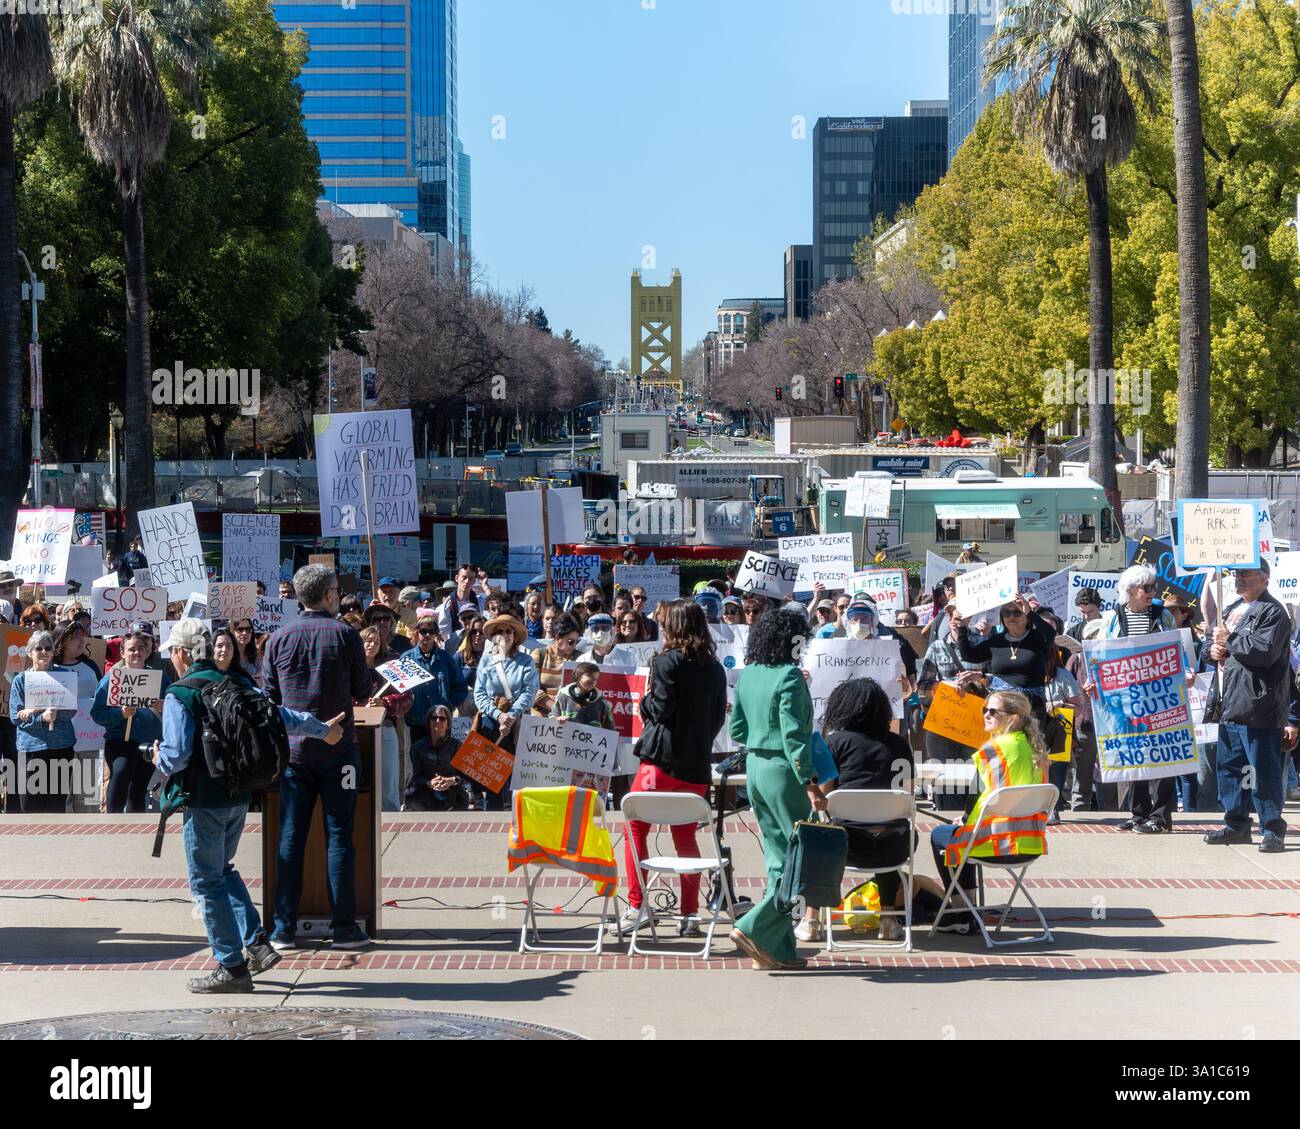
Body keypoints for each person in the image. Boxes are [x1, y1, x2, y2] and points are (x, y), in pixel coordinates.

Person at [158, 620, 344, 992]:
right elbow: (282, 717)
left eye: (172, 653)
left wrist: (157, 759)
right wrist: (323, 730)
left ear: (181, 653)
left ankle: (231, 966)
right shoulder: (240, 683)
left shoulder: (181, 693)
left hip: (204, 799)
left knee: (206, 882)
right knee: (223, 871)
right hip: (240, 794)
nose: (172, 661)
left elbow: (176, 756)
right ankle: (257, 943)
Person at [261, 564, 374, 952]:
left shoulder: (278, 638)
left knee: (290, 840)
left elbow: (270, 698)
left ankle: (282, 930)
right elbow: (362, 689)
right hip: (338, 750)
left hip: (293, 754)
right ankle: (343, 928)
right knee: (340, 838)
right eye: (337, 593)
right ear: (328, 595)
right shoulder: (345, 634)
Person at [622, 602, 727, 937]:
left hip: (660, 764)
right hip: (696, 768)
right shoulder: (714, 667)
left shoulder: (666, 661)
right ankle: (689, 915)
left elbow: (661, 708)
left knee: (635, 828)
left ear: (675, 627)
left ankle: (637, 905)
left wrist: (644, 701)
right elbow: (717, 718)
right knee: (685, 838)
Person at [728, 609, 822, 971]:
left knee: (778, 858)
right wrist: (811, 782)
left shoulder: (749, 674)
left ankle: (778, 949)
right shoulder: (790, 677)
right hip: (785, 772)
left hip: (755, 767)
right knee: (801, 860)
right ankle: (753, 926)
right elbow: (794, 737)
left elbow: (736, 729)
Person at [929, 690, 1050, 934]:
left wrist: (965, 820)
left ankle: (961, 910)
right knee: (962, 832)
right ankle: (968, 911)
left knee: (940, 835)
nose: (985, 714)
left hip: (994, 842)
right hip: (1030, 843)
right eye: (985, 709)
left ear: (1013, 718)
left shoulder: (993, 750)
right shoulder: (1035, 749)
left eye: (993, 711)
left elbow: (978, 798)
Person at [815, 677, 915, 942]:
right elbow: (908, 798)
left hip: (847, 845)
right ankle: (889, 919)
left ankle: (810, 920)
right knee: (890, 827)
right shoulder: (900, 744)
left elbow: (826, 798)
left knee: (814, 837)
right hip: (896, 844)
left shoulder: (836, 743)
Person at [1205, 561, 1291, 853]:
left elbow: (1263, 652)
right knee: (1232, 769)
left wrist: (1229, 641)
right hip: (1229, 704)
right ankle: (1236, 824)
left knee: (1261, 770)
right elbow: (1212, 647)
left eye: (1245, 574)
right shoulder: (1229, 609)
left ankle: (1272, 828)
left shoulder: (1273, 612)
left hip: (1259, 705)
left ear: (1264, 579)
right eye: (1235, 574)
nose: (1238, 579)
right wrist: (1212, 650)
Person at [1088, 564, 1179, 834]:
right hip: (1127, 697)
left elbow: (1178, 649)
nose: (1153, 592)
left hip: (1160, 695)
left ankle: (1161, 816)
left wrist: (1184, 672)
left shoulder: (1163, 615)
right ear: (1129, 590)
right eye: (1146, 588)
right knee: (1135, 755)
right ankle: (1139, 813)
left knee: (1165, 754)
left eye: (1154, 587)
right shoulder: (1113, 618)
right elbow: (1100, 653)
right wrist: (1094, 678)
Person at [92, 628, 169, 813]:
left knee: (139, 786)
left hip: (149, 741)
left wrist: (164, 707)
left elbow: (176, 710)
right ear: (122, 652)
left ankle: (135, 829)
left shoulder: (160, 679)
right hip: (120, 739)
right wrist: (119, 714)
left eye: (141, 648)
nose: (137, 653)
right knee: (121, 772)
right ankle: (113, 820)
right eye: (132, 649)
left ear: (147, 651)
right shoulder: (112, 679)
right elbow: (97, 713)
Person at [472, 615, 540, 810]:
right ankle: (492, 813)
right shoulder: (486, 661)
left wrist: (511, 714)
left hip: (518, 723)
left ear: (514, 636)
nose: (504, 635)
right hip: (491, 721)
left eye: (508, 631)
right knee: (492, 776)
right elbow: (480, 693)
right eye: (499, 631)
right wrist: (498, 715)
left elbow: (530, 691)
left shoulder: (526, 661)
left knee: (516, 775)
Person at [7, 630, 78, 813]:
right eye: (38, 648)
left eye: (48, 648)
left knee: (56, 804)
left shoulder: (65, 676)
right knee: (29, 804)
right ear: (30, 652)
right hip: (31, 748)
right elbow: (16, 716)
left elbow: (71, 710)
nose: (43, 652)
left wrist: (48, 713)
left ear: (54, 651)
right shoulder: (20, 680)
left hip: (61, 746)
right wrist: (41, 717)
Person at [358, 625, 412, 812]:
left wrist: (385, 703)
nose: (372, 645)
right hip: (356, 730)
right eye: (368, 641)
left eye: (376, 641)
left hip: (385, 727)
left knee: (388, 777)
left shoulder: (390, 666)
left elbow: (406, 697)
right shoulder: (349, 667)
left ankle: (390, 814)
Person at [402, 609, 469, 743]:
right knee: (418, 760)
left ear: (436, 634)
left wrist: (448, 706)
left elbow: (461, 688)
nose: (427, 635)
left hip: (441, 721)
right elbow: (399, 690)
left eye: (431, 631)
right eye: (423, 631)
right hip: (416, 721)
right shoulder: (406, 659)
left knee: (443, 760)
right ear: (417, 632)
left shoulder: (446, 659)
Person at [405, 704, 468, 811]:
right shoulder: (418, 747)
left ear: (448, 724)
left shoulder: (457, 745)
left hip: (452, 791)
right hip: (427, 790)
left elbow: (465, 777)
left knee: (459, 801)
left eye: (442, 719)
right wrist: (429, 783)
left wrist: (451, 780)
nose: (437, 721)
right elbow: (416, 777)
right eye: (434, 718)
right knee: (411, 796)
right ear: (428, 723)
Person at [533, 613, 582, 715]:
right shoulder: (540, 655)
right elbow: (532, 689)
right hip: (541, 716)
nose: (573, 646)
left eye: (576, 642)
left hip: (571, 716)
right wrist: (557, 709)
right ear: (558, 637)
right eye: (570, 642)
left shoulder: (579, 658)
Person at [52, 622, 102, 701]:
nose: (82, 641)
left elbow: (103, 695)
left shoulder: (91, 665)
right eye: (76, 636)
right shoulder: (50, 668)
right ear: (62, 640)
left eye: (82, 636)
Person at [453, 614, 486, 711]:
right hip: (464, 709)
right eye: (474, 631)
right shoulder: (460, 656)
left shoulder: (493, 656)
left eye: (481, 632)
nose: (478, 635)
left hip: (487, 707)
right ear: (469, 633)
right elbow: (450, 682)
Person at [229, 618, 260, 684]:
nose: (244, 633)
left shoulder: (256, 655)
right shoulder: (226, 654)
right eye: (240, 629)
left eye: (248, 629)